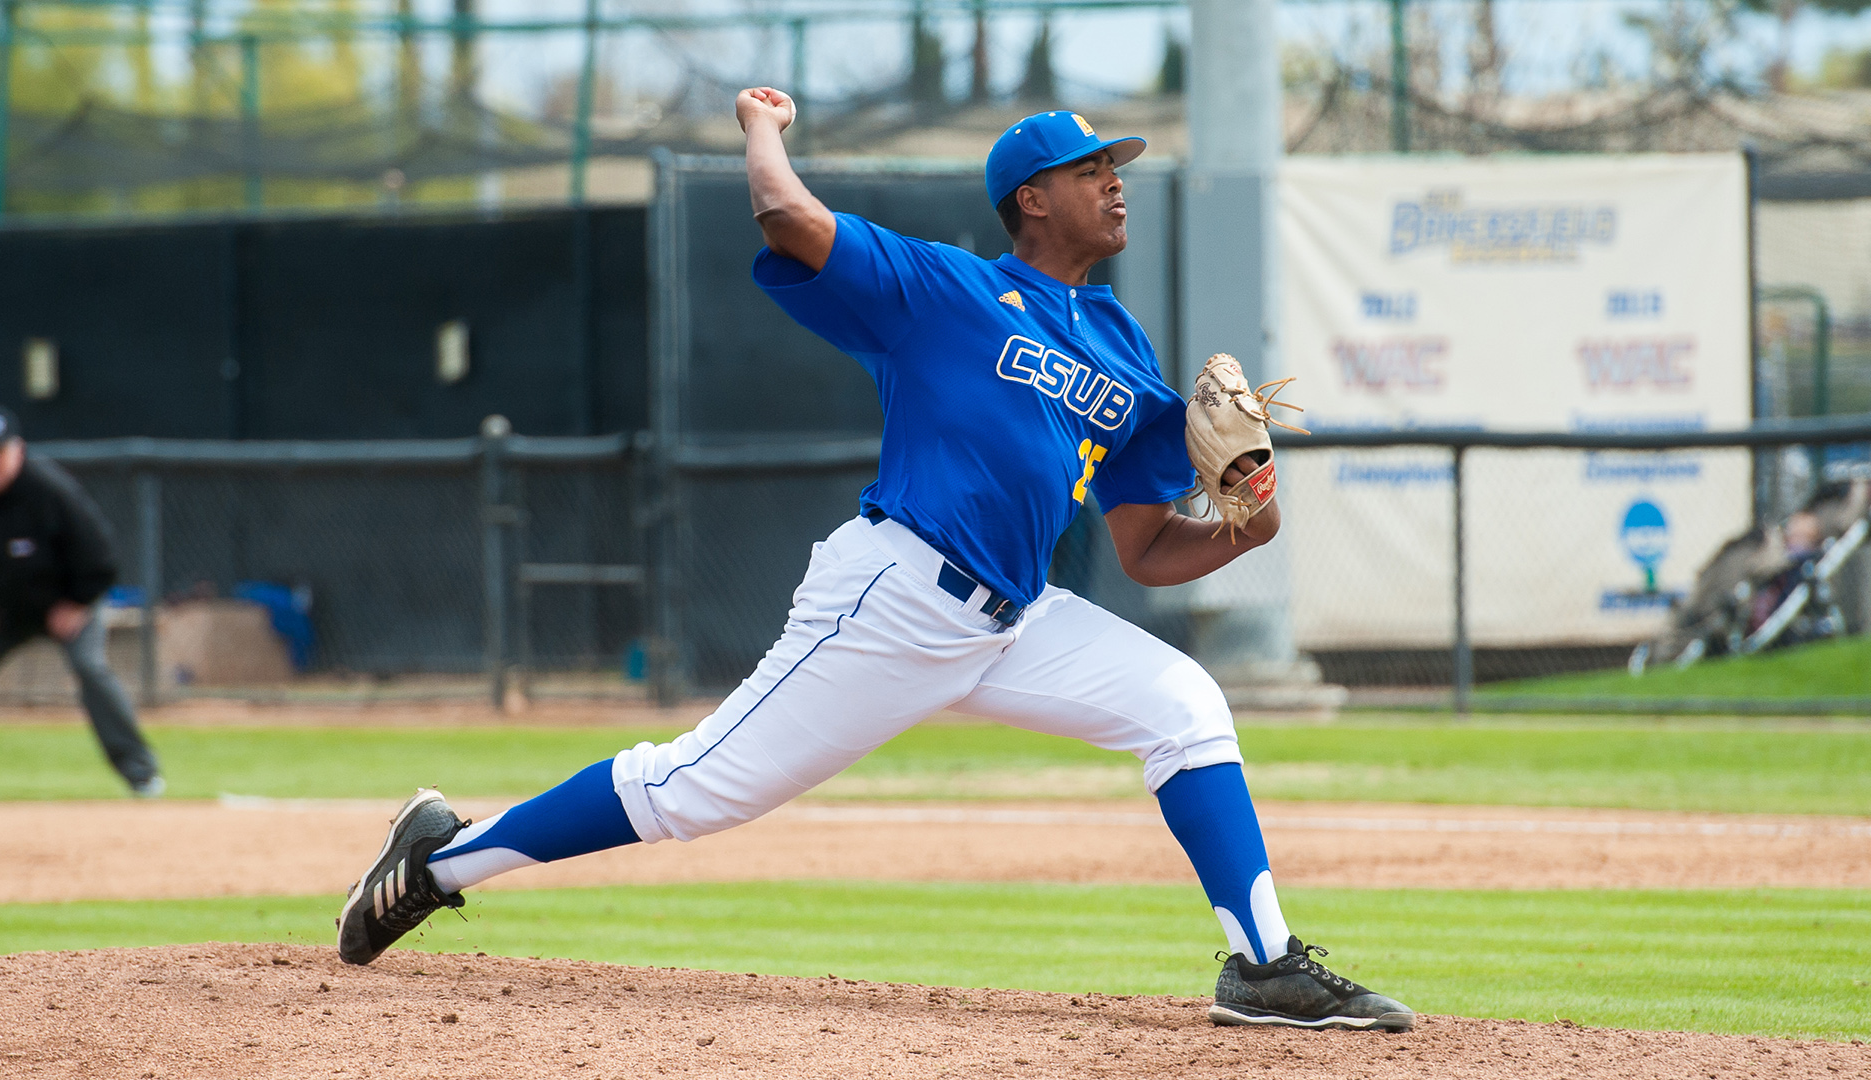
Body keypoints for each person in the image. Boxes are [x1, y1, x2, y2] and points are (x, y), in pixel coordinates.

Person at [336, 92, 1413, 1032]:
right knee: (694, 790)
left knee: (1184, 703)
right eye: (1092, 171)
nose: (1116, 186)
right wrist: (763, 130)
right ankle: (438, 858)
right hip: (898, 596)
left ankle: (1264, 965)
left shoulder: (1123, 349)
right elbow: (785, 217)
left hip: (1015, 618)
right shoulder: (940, 288)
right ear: (1031, 197)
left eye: (1115, 170)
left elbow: (1142, 549)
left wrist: (1248, 530)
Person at [0, 405, 164, 800]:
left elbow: (102, 558)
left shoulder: (50, 490)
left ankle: (141, 773)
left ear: (18, 451)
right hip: (1, 613)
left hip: (65, 608)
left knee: (90, 667)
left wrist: (78, 603)